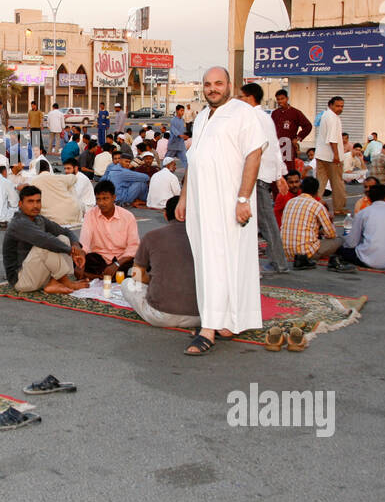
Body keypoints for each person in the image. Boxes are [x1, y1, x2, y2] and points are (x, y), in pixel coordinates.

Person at [176, 67, 266, 354]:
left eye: (218, 83)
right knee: (209, 261)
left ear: (230, 85)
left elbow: (254, 154)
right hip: (202, 204)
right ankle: (225, 320)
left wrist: (243, 199)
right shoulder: (202, 117)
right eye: (207, 84)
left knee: (222, 261)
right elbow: (195, 160)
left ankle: (208, 329)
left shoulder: (243, 112)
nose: (212, 88)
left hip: (228, 202)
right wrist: (184, 198)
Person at [121, 196, 199, 328]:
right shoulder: (204, 237)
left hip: (161, 315)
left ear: (165, 215)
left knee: (127, 283)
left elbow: (137, 275)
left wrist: (156, 280)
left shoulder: (152, 236)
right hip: (199, 317)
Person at [238, 82, 289, 274]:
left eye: (241, 97)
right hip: (262, 175)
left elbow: (258, 149)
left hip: (256, 175)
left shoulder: (253, 117)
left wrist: (278, 175)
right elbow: (275, 147)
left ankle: (279, 262)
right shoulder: (264, 117)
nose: (239, 101)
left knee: (266, 221)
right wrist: (278, 175)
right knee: (257, 220)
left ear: (250, 98)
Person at [3, 185, 88, 294]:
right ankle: (66, 282)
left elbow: (65, 231)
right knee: (45, 246)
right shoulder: (19, 223)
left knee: (63, 238)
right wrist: (71, 251)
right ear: (20, 204)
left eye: (38, 201)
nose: (35, 205)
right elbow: (45, 240)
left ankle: (53, 282)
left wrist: (76, 246)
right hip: (21, 280)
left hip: (36, 273)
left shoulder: (39, 219)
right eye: (30, 202)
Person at [282, 177, 355, 272]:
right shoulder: (317, 205)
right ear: (317, 191)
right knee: (339, 240)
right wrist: (330, 221)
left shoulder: (290, 202)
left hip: (285, 250)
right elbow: (331, 234)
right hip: (306, 251)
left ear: (301, 188)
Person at [337, 183, 385, 271]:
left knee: (342, 249)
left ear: (368, 198)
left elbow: (352, 243)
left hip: (368, 259)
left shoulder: (363, 213)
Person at [80, 180, 140, 278]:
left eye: (105, 198)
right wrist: (81, 258)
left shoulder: (128, 216)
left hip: (122, 259)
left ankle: (98, 276)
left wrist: (117, 264)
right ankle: (106, 276)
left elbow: (133, 247)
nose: (101, 203)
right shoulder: (90, 215)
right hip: (99, 260)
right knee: (82, 259)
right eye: (98, 199)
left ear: (113, 198)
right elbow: (84, 244)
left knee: (143, 260)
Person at [313, 96, 346, 216]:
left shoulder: (325, 115)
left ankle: (313, 204)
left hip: (322, 155)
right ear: (330, 105)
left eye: (342, 106)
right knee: (337, 183)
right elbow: (332, 139)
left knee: (320, 182)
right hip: (331, 157)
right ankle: (339, 207)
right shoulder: (332, 118)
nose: (340, 108)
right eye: (337, 106)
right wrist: (336, 155)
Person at [28, 158, 84, 227]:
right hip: (72, 213)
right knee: (69, 185)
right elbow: (73, 178)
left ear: (37, 171)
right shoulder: (59, 177)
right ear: (49, 169)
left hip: (52, 218)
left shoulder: (33, 181)